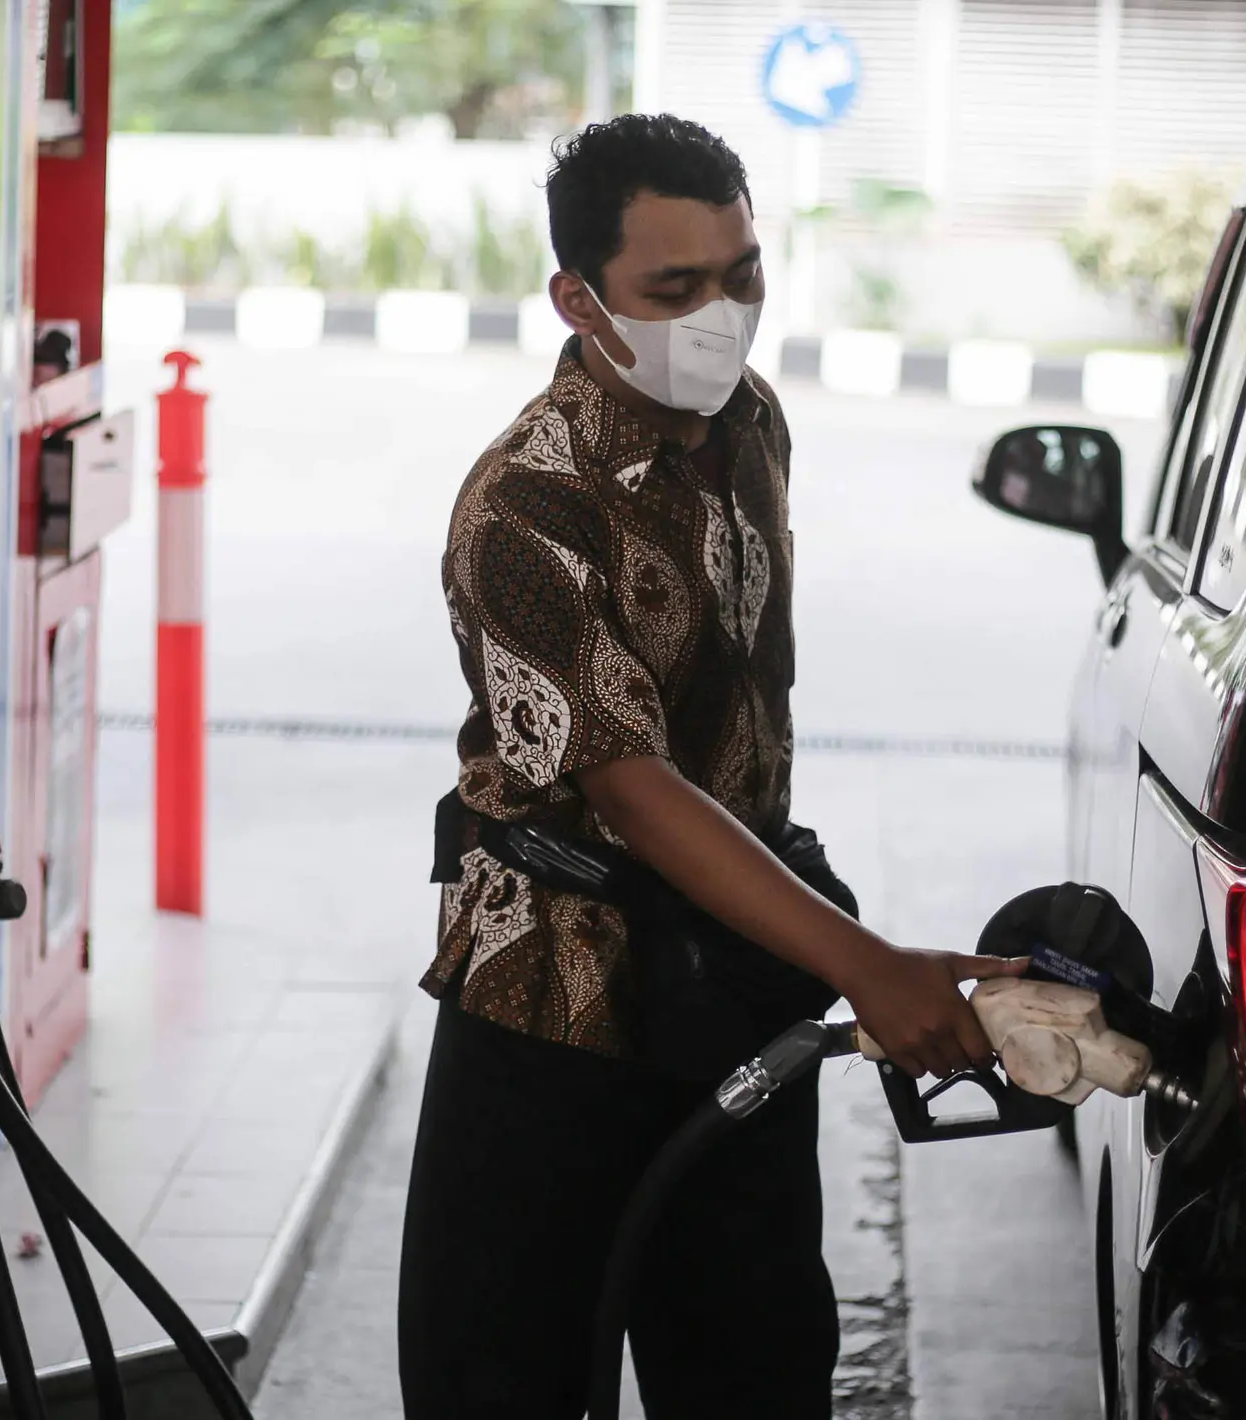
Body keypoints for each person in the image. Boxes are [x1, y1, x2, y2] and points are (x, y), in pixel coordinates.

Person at [398, 113, 1024, 1419]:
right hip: (556, 988)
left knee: (754, 1369)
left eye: (741, 273)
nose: (721, 313)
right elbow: (627, 784)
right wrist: (866, 969)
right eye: (672, 289)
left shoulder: (748, 423)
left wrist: (818, 957)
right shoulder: (526, 506)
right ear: (578, 298)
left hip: (735, 971)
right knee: (502, 1381)